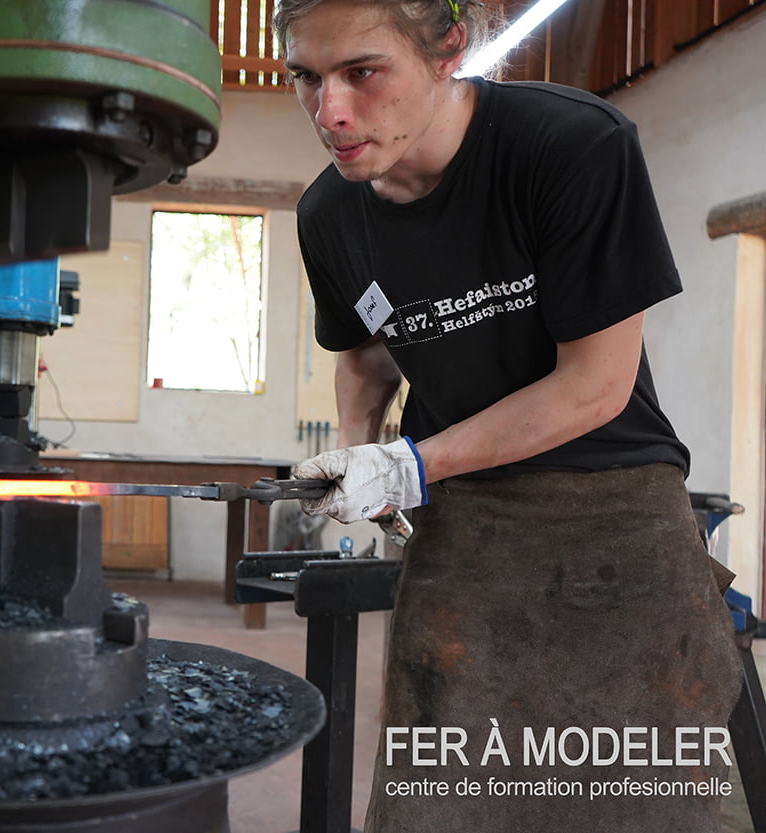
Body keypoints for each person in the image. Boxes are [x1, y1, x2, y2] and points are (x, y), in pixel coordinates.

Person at [278, 1, 744, 831]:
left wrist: (412, 463)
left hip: (618, 523)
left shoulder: (569, 146)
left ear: (448, 48)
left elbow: (596, 385)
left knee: (641, 802)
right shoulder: (329, 216)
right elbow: (365, 352)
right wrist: (361, 463)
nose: (331, 112)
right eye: (306, 79)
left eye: (361, 71)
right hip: (467, 532)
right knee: (441, 801)